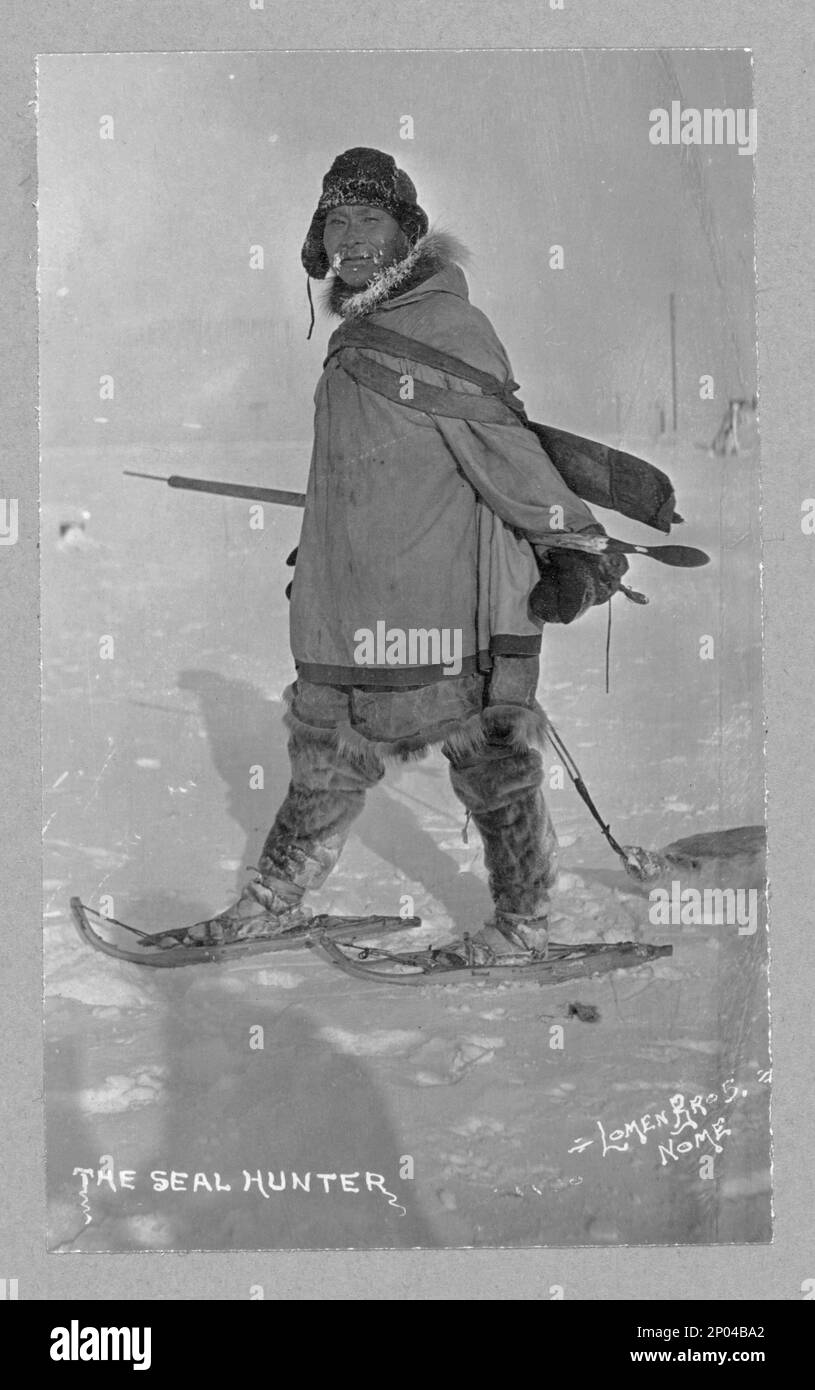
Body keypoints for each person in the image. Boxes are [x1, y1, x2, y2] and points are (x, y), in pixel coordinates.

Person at [186, 147, 626, 961]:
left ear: (406, 233)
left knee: (485, 754)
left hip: (440, 596)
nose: (350, 236)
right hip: (348, 595)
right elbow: (368, 465)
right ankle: (276, 896)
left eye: (369, 219)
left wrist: (571, 540)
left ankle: (525, 922)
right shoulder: (364, 329)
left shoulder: (446, 325)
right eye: (336, 221)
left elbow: (504, 452)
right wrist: (322, 544)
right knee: (324, 750)